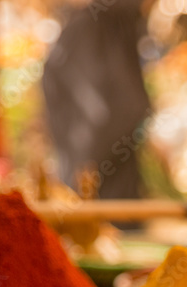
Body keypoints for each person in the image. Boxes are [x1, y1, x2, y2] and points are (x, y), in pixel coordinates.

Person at [42, 0, 151, 199]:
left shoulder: (92, 26)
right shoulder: (95, 25)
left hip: (98, 165)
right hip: (101, 162)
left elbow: (103, 109)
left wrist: (85, 160)